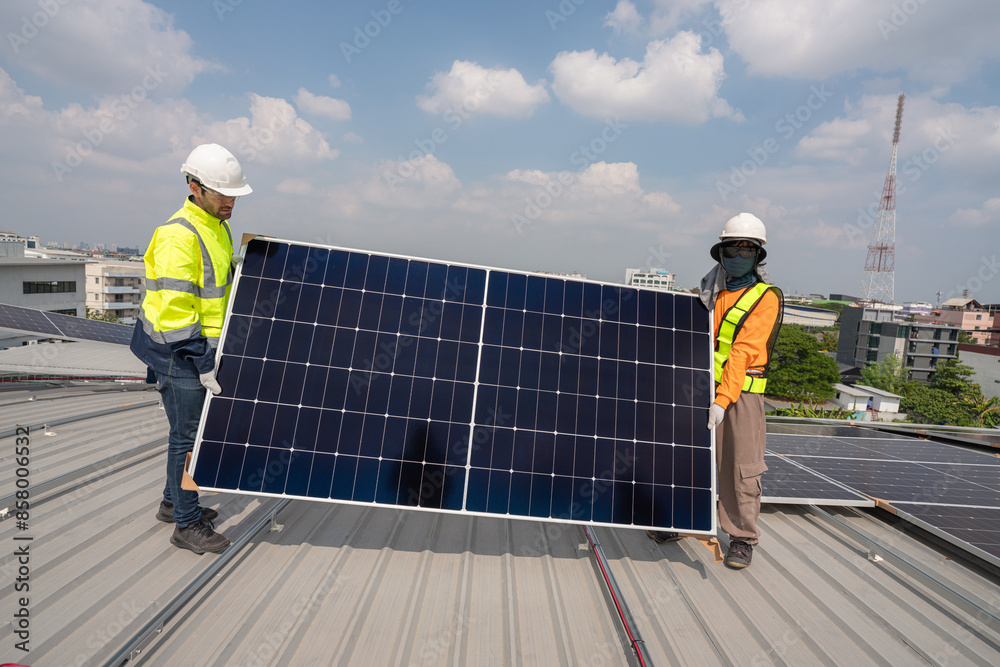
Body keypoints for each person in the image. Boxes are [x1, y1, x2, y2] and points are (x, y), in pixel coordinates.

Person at [130, 143, 252, 554]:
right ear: (195, 187)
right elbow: (175, 316)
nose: (230, 202)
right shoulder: (176, 237)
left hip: (199, 351)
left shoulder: (216, 224)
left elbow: (216, 288)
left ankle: (172, 501)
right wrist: (202, 361)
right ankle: (185, 523)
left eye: (234, 195)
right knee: (187, 439)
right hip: (179, 355)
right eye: (223, 194)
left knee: (188, 434)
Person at [647, 213, 782, 570]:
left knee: (740, 468)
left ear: (758, 256)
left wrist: (722, 400)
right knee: (689, 458)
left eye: (747, 249)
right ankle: (683, 521)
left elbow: (742, 351)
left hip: (740, 398)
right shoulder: (711, 292)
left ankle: (741, 538)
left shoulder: (765, 297)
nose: (738, 255)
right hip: (698, 389)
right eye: (732, 249)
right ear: (720, 252)